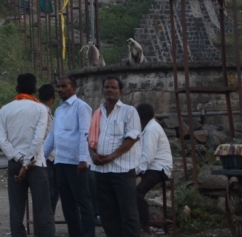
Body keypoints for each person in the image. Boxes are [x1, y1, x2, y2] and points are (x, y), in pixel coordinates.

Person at [0, 73, 53, 237]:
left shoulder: (5, 109)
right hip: (36, 164)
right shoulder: (41, 109)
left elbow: (1, 140)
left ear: (17, 88)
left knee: (16, 209)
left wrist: (20, 159)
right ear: (35, 90)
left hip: (15, 163)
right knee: (43, 209)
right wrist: (27, 162)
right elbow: (38, 139)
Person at [90, 76, 142, 237]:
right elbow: (91, 138)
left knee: (128, 213)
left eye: (113, 87)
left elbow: (132, 138)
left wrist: (111, 157)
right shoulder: (98, 113)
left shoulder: (129, 111)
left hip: (122, 171)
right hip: (101, 171)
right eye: (107, 87)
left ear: (121, 92)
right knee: (107, 214)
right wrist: (93, 155)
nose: (109, 90)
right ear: (102, 90)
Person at [44, 75, 95, 237]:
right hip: (61, 162)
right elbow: (52, 137)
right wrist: (40, 158)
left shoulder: (81, 107)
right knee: (67, 205)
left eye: (64, 86)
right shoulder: (59, 110)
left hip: (77, 164)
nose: (60, 89)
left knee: (83, 203)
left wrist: (83, 159)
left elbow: (85, 133)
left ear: (74, 88)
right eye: (58, 87)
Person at [135, 104, 172, 235]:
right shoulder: (148, 128)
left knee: (137, 192)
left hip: (159, 168)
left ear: (141, 117)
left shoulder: (151, 129)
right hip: (151, 167)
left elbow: (148, 155)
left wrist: (139, 173)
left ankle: (146, 227)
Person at [38, 83, 59, 213]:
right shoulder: (44, 113)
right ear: (53, 98)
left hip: (46, 156)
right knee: (52, 192)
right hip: (49, 158)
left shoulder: (42, 111)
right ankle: (47, 218)